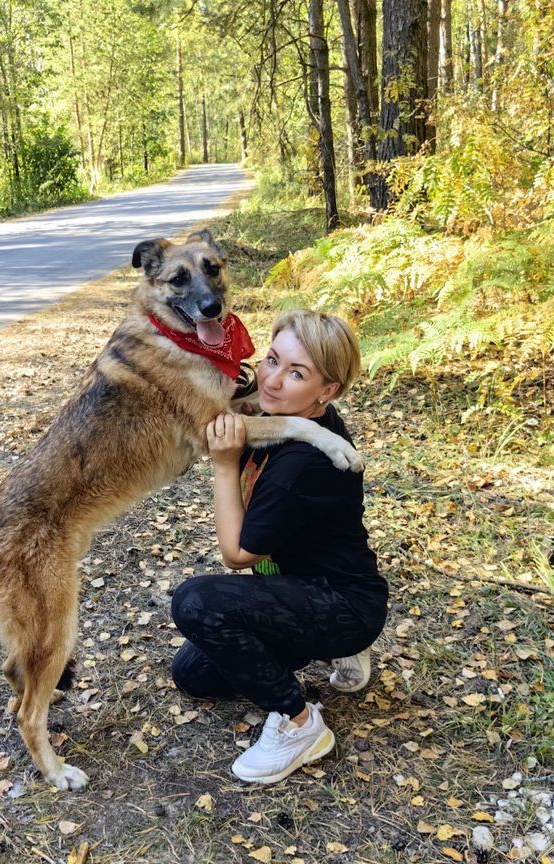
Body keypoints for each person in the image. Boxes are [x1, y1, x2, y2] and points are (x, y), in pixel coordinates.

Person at [170, 309, 388, 785]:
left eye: (296, 373)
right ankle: (331, 647)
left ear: (326, 392)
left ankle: (300, 724)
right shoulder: (295, 418)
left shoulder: (304, 464)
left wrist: (224, 465)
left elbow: (238, 554)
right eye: (271, 360)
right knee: (193, 675)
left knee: (195, 602)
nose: (270, 381)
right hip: (298, 584)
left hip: (344, 602)